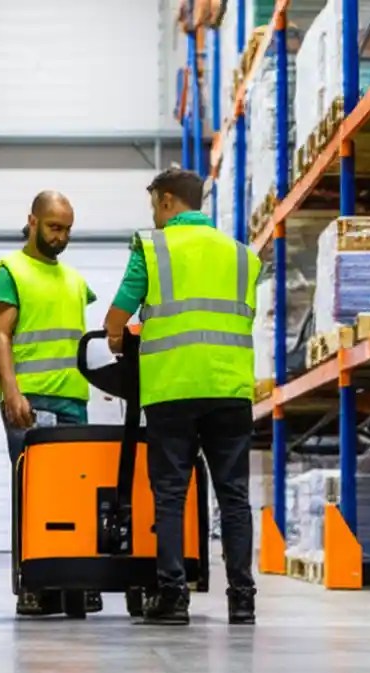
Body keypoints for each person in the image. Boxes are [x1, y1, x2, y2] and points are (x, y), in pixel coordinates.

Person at [103, 168, 261, 626]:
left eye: (154, 203)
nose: (153, 213)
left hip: (172, 388)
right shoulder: (241, 256)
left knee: (170, 494)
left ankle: (172, 597)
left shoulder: (152, 249)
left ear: (167, 201)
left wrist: (120, 339)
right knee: (234, 497)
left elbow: (117, 319)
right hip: (229, 388)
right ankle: (243, 600)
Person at [0, 190, 102, 617]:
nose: (61, 237)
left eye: (67, 230)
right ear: (32, 221)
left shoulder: (75, 281)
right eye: (54, 227)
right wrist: (12, 391)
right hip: (30, 402)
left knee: (77, 496)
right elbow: (0, 335)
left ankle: (79, 579)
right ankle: (32, 587)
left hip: (74, 401)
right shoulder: (10, 272)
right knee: (32, 496)